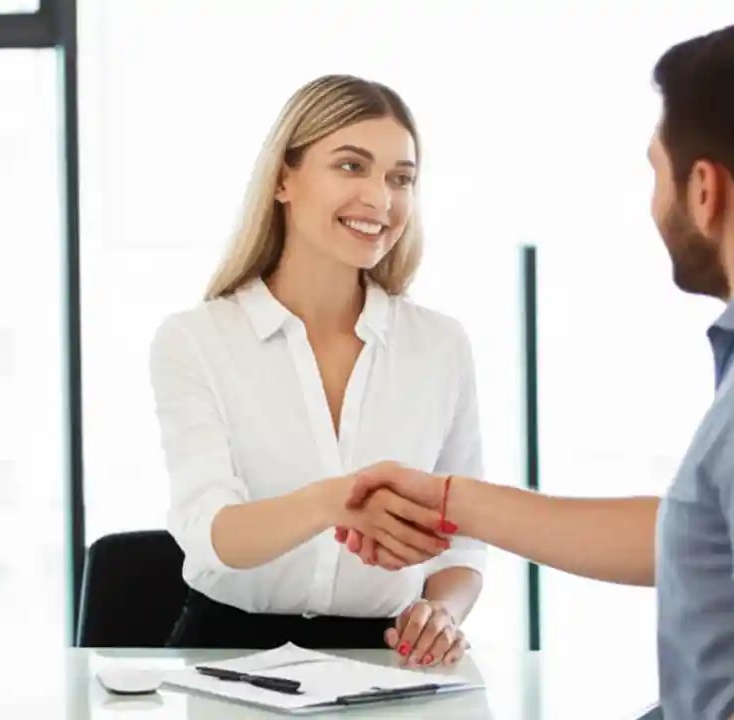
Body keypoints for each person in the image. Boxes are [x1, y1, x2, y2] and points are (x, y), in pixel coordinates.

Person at [337, 25, 734, 719]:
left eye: (658, 173)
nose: (654, 205)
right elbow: (709, 531)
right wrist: (451, 500)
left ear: (704, 188)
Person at [149, 74, 483, 663]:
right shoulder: (195, 340)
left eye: (400, 178)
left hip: (383, 656)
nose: (380, 199)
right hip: (226, 654)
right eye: (351, 166)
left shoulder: (440, 345)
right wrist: (335, 502)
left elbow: (463, 542)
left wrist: (441, 612)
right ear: (283, 179)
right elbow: (209, 534)